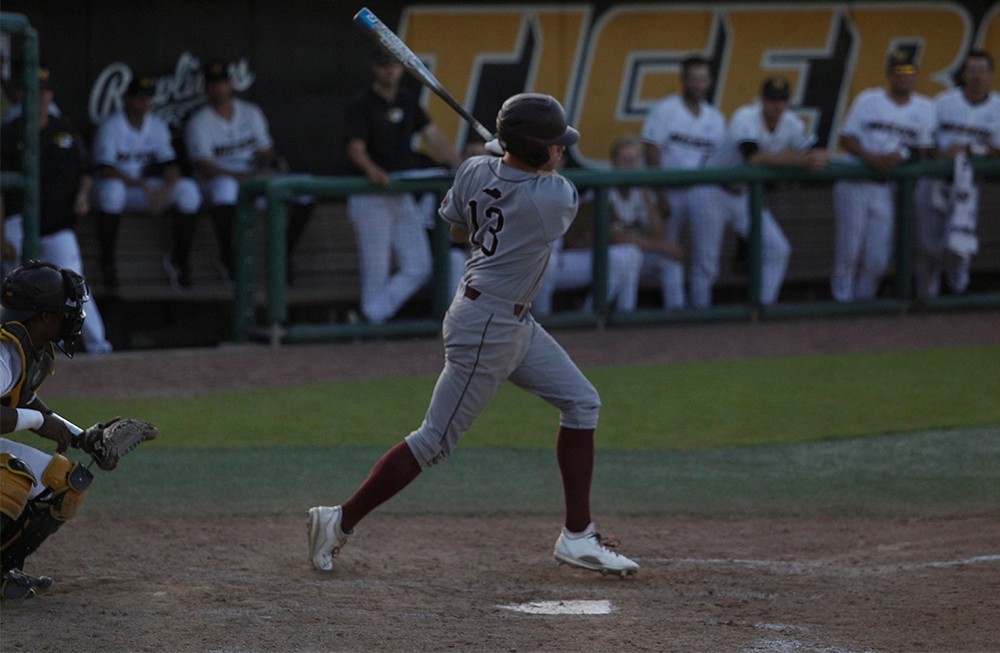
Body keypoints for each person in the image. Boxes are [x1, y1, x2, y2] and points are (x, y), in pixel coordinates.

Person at [307, 93, 639, 578]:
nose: (561, 150)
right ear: (533, 150)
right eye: (553, 145)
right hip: (488, 328)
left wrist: (495, 166)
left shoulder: (470, 170)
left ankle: (577, 535)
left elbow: (460, 233)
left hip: (508, 319)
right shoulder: (552, 197)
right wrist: (504, 165)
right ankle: (338, 521)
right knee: (433, 442)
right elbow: (537, 186)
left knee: (582, 402)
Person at [0, 261, 154, 599]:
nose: (71, 317)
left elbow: (24, 401)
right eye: (63, 311)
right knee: (11, 478)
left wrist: (84, 437)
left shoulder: (22, 343)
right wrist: (41, 422)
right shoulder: (1, 351)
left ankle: (2, 569)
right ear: (43, 317)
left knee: (65, 483)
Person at [687, 77, 829, 307]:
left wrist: (819, 156)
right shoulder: (745, 117)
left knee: (778, 248)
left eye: (782, 100)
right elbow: (753, 157)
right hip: (711, 191)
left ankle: (762, 308)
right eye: (772, 99)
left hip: (743, 196)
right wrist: (803, 161)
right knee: (706, 264)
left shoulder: (791, 122)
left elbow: (815, 149)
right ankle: (699, 316)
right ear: (762, 100)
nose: (777, 105)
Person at [0, 68, 113, 354]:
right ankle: (14, 350)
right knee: (15, 288)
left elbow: (85, 171)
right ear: (21, 95)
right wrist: (0, 236)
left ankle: (99, 346)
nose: (41, 96)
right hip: (18, 223)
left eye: (46, 90)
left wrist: (82, 195)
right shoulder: (9, 132)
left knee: (76, 286)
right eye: (35, 91)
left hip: (57, 224)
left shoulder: (63, 128)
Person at [344, 50, 462, 324]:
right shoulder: (362, 103)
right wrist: (372, 170)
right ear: (375, 69)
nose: (390, 72)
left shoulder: (407, 101)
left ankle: (368, 318)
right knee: (377, 271)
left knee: (419, 264)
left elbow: (433, 135)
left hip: (401, 192)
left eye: (395, 66)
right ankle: (371, 325)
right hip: (369, 195)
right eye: (385, 66)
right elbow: (355, 148)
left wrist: (459, 164)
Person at [184, 61, 313, 284]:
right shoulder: (199, 122)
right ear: (206, 89)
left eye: (223, 83)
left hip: (253, 179)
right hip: (217, 183)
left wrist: (269, 165)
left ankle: (284, 253)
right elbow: (204, 166)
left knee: (307, 186)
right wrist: (247, 177)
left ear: (231, 84)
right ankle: (228, 257)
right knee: (225, 188)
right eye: (213, 84)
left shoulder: (250, 112)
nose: (219, 88)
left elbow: (266, 151)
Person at [831, 48, 935, 303]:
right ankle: (843, 303)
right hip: (855, 181)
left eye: (909, 72)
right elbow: (846, 138)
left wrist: (900, 155)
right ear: (889, 74)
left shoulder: (925, 107)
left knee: (878, 257)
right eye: (899, 72)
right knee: (850, 251)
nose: (904, 77)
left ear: (917, 75)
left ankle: (864, 302)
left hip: (885, 187)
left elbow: (925, 148)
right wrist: (872, 158)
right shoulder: (869, 99)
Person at [91, 74, 202, 289]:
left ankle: (180, 261)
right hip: (115, 190)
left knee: (189, 191)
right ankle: (107, 263)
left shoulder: (157, 125)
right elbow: (106, 170)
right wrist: (141, 186)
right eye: (139, 97)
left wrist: (166, 190)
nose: (144, 102)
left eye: (148, 97)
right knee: (112, 191)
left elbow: (171, 165)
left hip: (145, 192)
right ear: (126, 99)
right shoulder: (112, 126)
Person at [641, 56, 726, 308]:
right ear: (683, 80)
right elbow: (651, 150)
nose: (697, 84)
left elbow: (720, 160)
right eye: (693, 79)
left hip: (702, 191)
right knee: (669, 252)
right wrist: (661, 195)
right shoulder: (666, 109)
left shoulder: (715, 118)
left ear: (709, 82)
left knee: (706, 256)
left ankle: (702, 311)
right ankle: (674, 311)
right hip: (670, 189)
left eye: (702, 79)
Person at [914, 49, 1000, 298]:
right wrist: (941, 153)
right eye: (971, 70)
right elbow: (924, 140)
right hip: (935, 182)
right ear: (963, 74)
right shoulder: (943, 102)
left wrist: (971, 148)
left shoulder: (997, 106)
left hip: (969, 187)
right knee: (928, 247)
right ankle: (926, 298)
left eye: (981, 71)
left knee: (959, 246)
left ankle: (957, 296)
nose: (976, 76)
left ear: (991, 75)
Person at [606, 136, 685, 310]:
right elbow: (617, 238)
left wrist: (647, 196)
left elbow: (659, 235)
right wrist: (662, 247)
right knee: (630, 254)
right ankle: (623, 314)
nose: (631, 166)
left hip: (636, 255)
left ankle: (676, 315)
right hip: (604, 258)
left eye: (635, 161)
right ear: (614, 163)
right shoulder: (606, 191)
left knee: (670, 263)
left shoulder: (641, 191)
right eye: (625, 160)